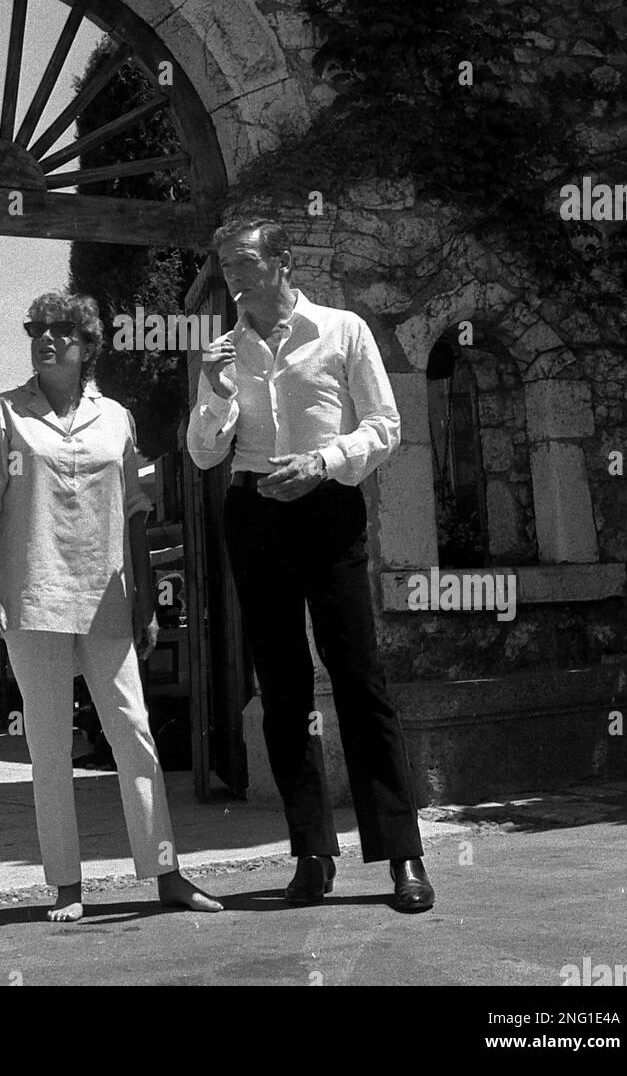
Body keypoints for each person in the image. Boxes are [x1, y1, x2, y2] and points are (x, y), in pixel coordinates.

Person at [186, 219, 434, 911]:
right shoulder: (222, 352)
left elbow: (385, 427)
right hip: (254, 511)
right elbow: (205, 452)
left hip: (326, 507)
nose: (232, 277)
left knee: (359, 678)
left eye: (241, 263)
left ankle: (403, 857)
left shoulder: (342, 329)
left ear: (281, 262)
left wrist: (321, 463)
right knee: (284, 687)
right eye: (224, 266)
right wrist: (214, 391)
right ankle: (312, 856)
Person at [0, 289, 223, 923]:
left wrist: (148, 600)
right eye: (36, 328)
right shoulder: (1, 414)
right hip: (31, 594)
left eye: (60, 330)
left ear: (87, 344)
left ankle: (167, 874)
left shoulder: (117, 418)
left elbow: (135, 514)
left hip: (109, 597)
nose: (45, 338)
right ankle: (66, 886)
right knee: (49, 744)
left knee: (134, 735)